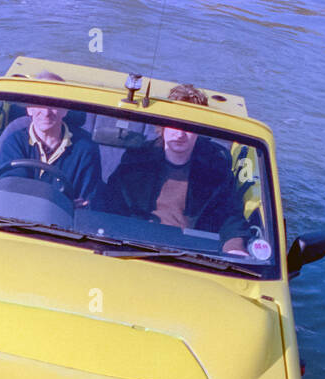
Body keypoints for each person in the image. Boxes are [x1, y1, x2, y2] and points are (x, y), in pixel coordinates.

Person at [103, 84, 252, 254]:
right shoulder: (136, 160)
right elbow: (110, 204)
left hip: (188, 254)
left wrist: (235, 248)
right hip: (134, 245)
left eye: (189, 126)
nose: (180, 134)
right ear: (163, 125)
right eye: (174, 123)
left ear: (200, 128)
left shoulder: (215, 168)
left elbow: (229, 217)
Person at [0, 72, 103, 207]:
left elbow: (86, 205)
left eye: (53, 104)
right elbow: (11, 196)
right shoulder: (13, 142)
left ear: (65, 109)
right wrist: (62, 203)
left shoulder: (86, 150)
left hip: (62, 226)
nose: (46, 112)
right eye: (39, 103)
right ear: (29, 109)